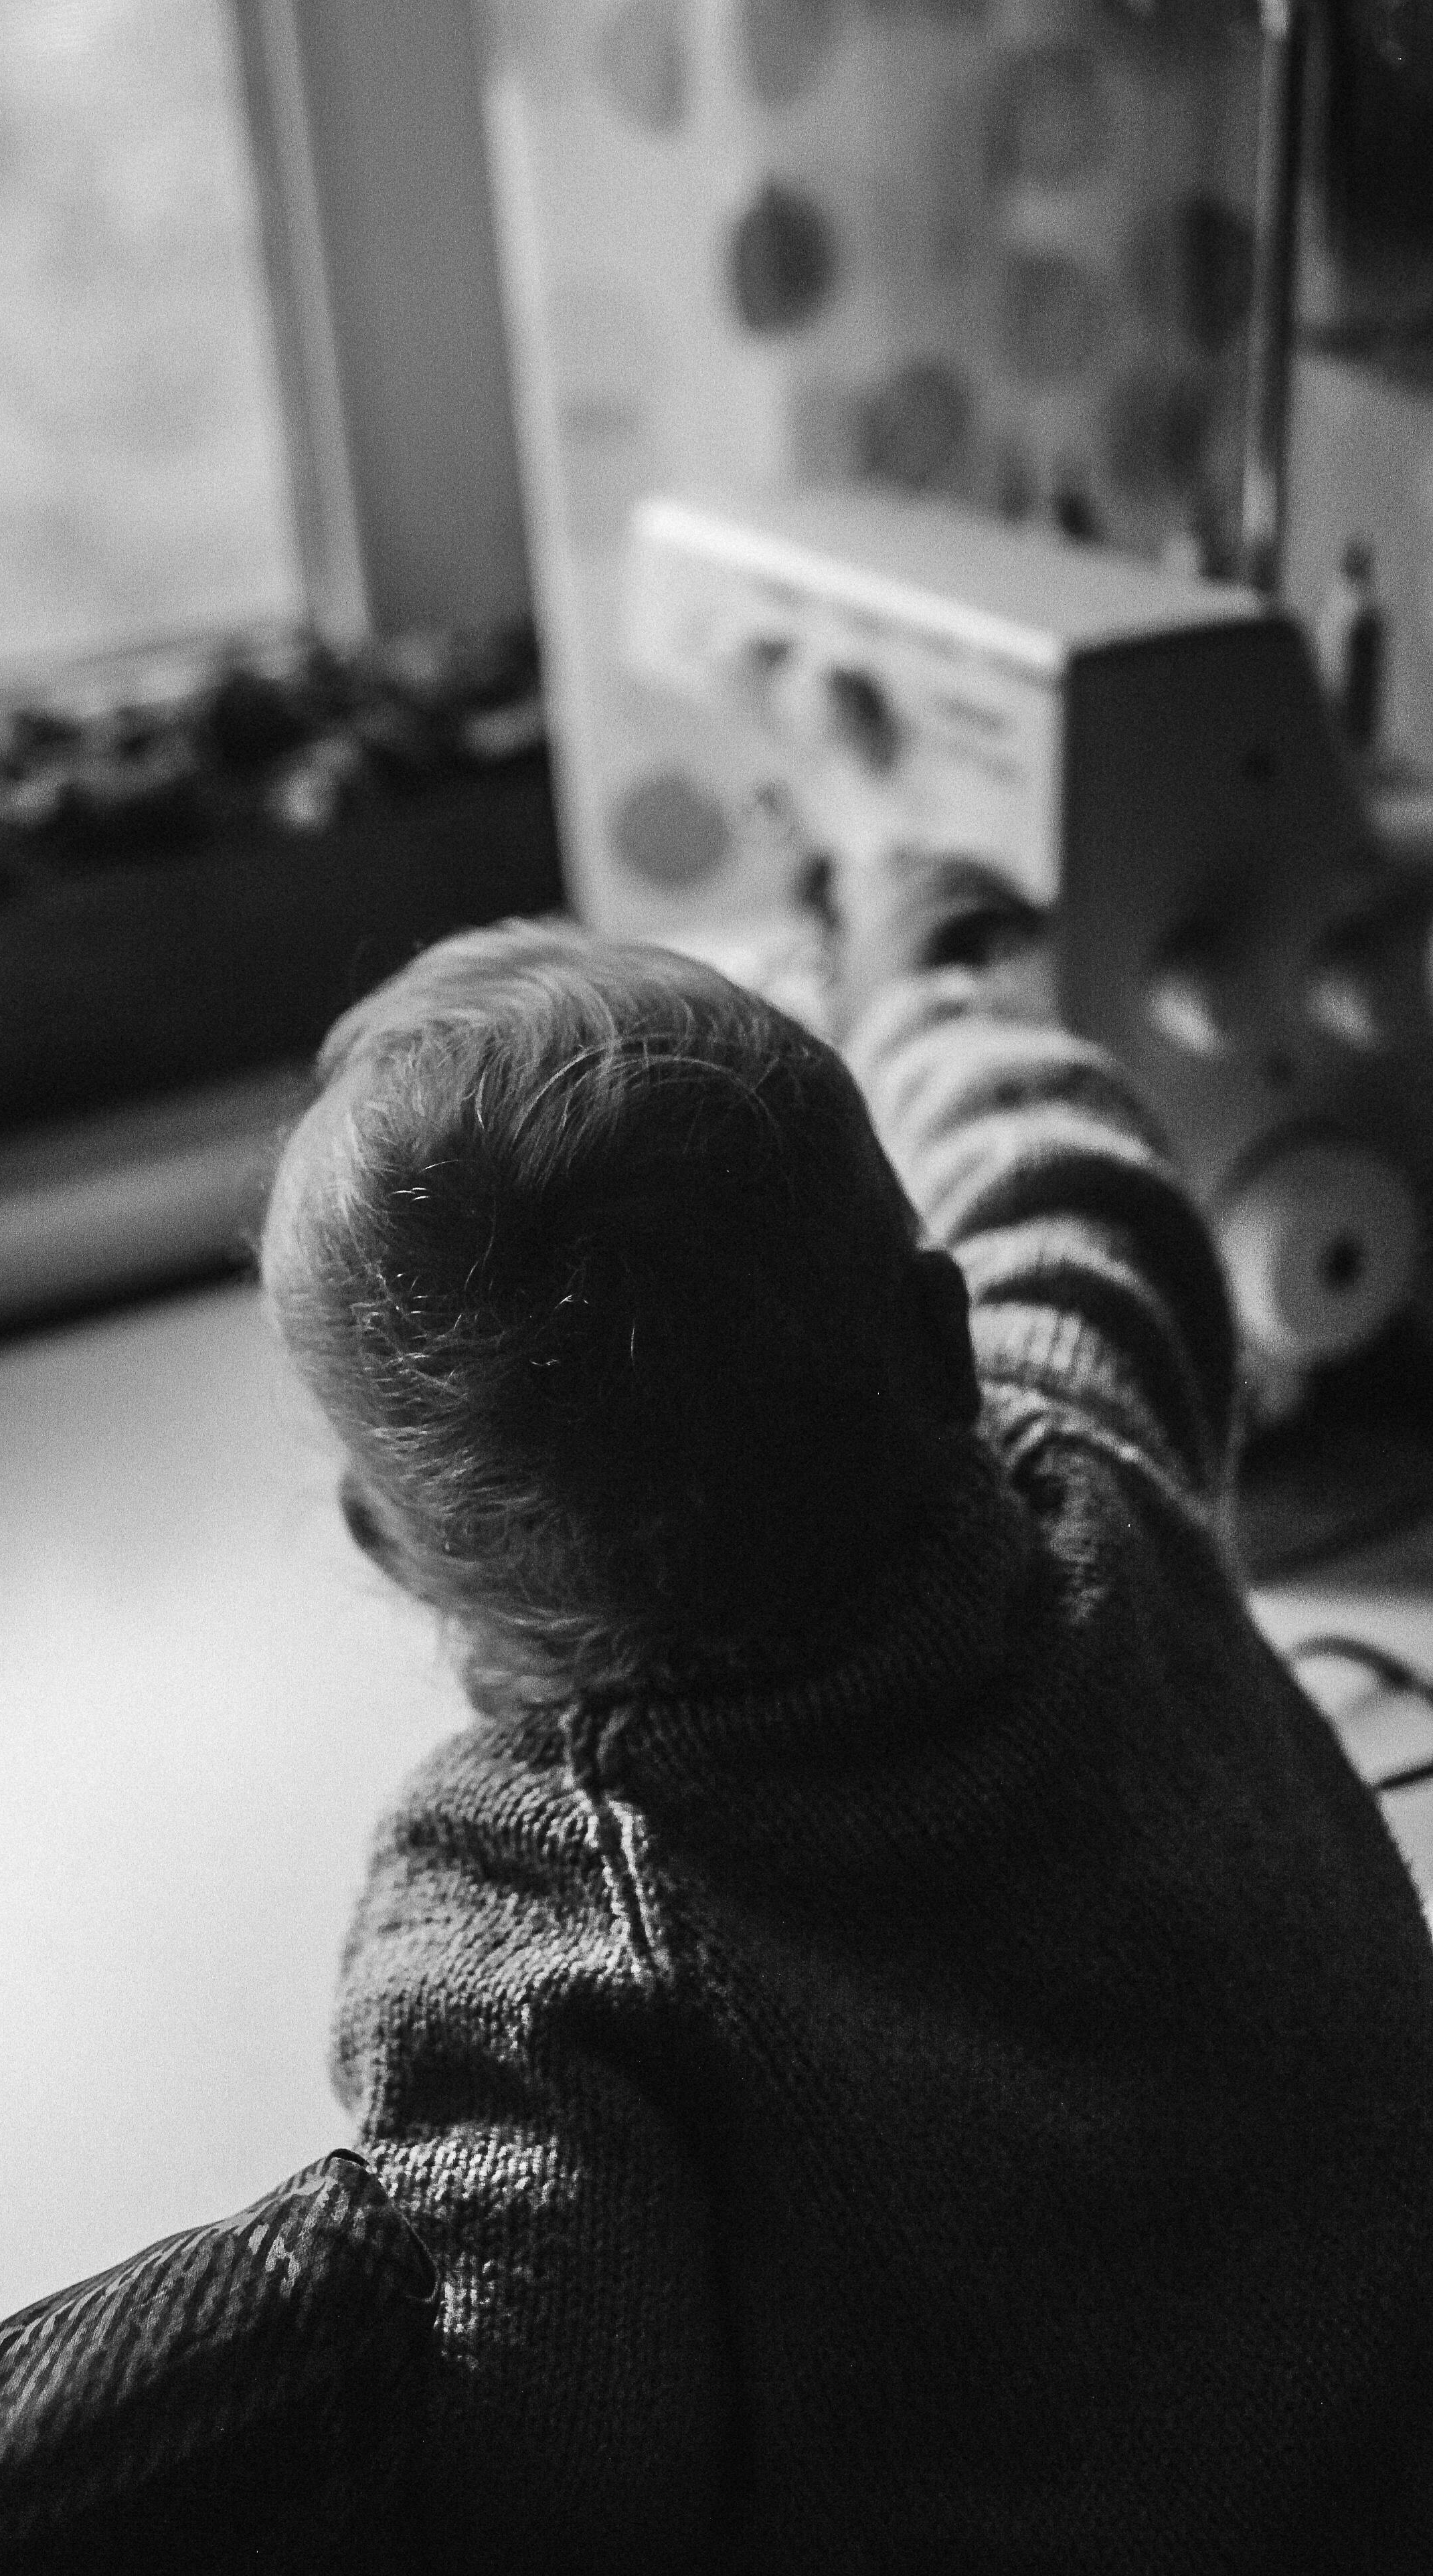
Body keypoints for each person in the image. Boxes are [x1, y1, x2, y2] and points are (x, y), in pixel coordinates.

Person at [257, 861, 1433, 2574]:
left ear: (393, 1545)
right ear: (942, 1341)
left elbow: (563, 2453)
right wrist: (926, 994)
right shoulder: (1087, 1462)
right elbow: (1084, 1189)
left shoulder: (523, 1901)